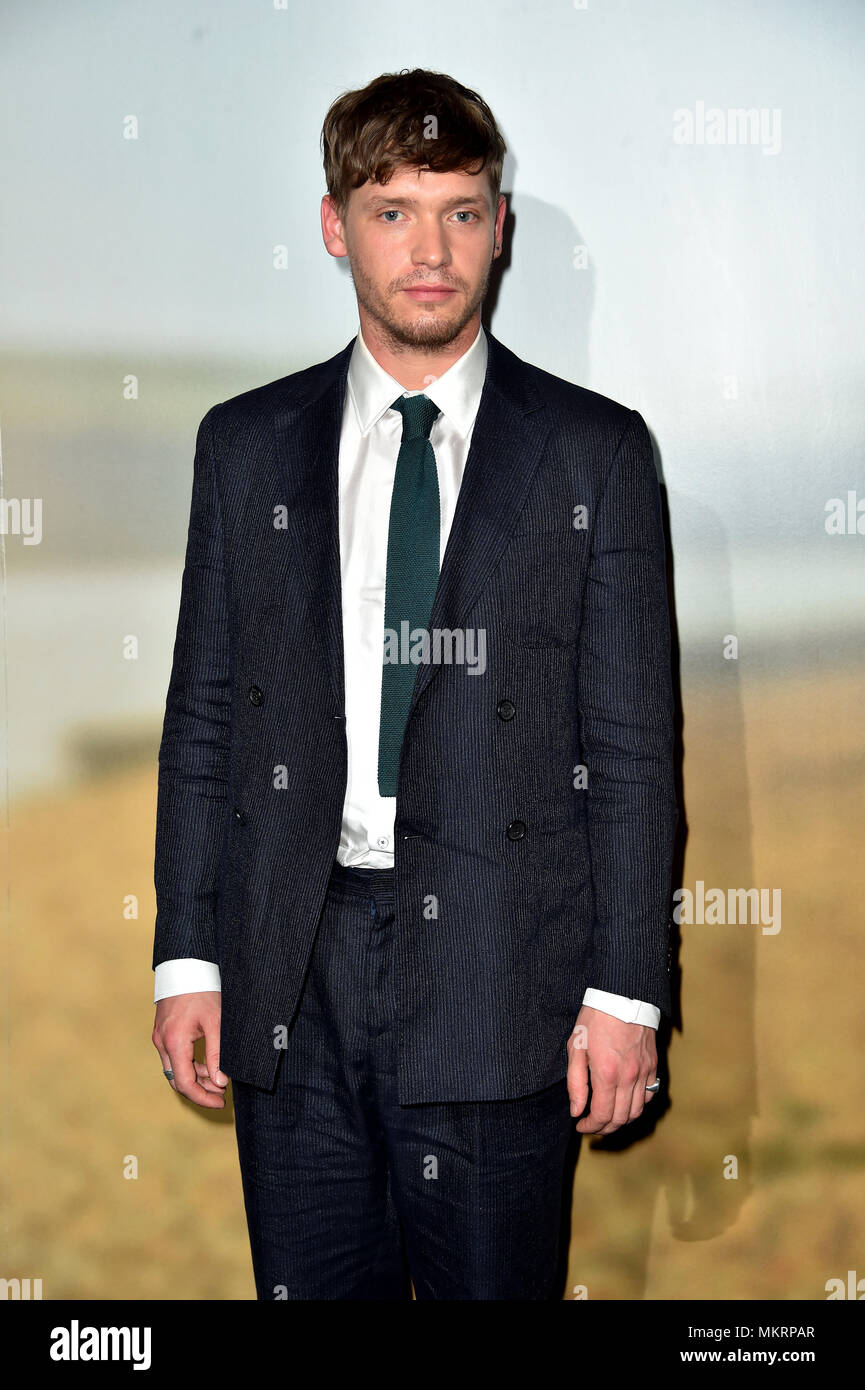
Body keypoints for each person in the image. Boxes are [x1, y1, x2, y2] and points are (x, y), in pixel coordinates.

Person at [151, 67, 677, 1301]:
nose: (430, 248)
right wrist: (189, 956)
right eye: (393, 210)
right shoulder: (244, 444)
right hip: (291, 963)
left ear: (502, 230)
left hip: (505, 968)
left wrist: (626, 990)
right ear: (335, 227)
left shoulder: (593, 451)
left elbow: (635, 747)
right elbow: (206, 715)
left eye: (462, 209)